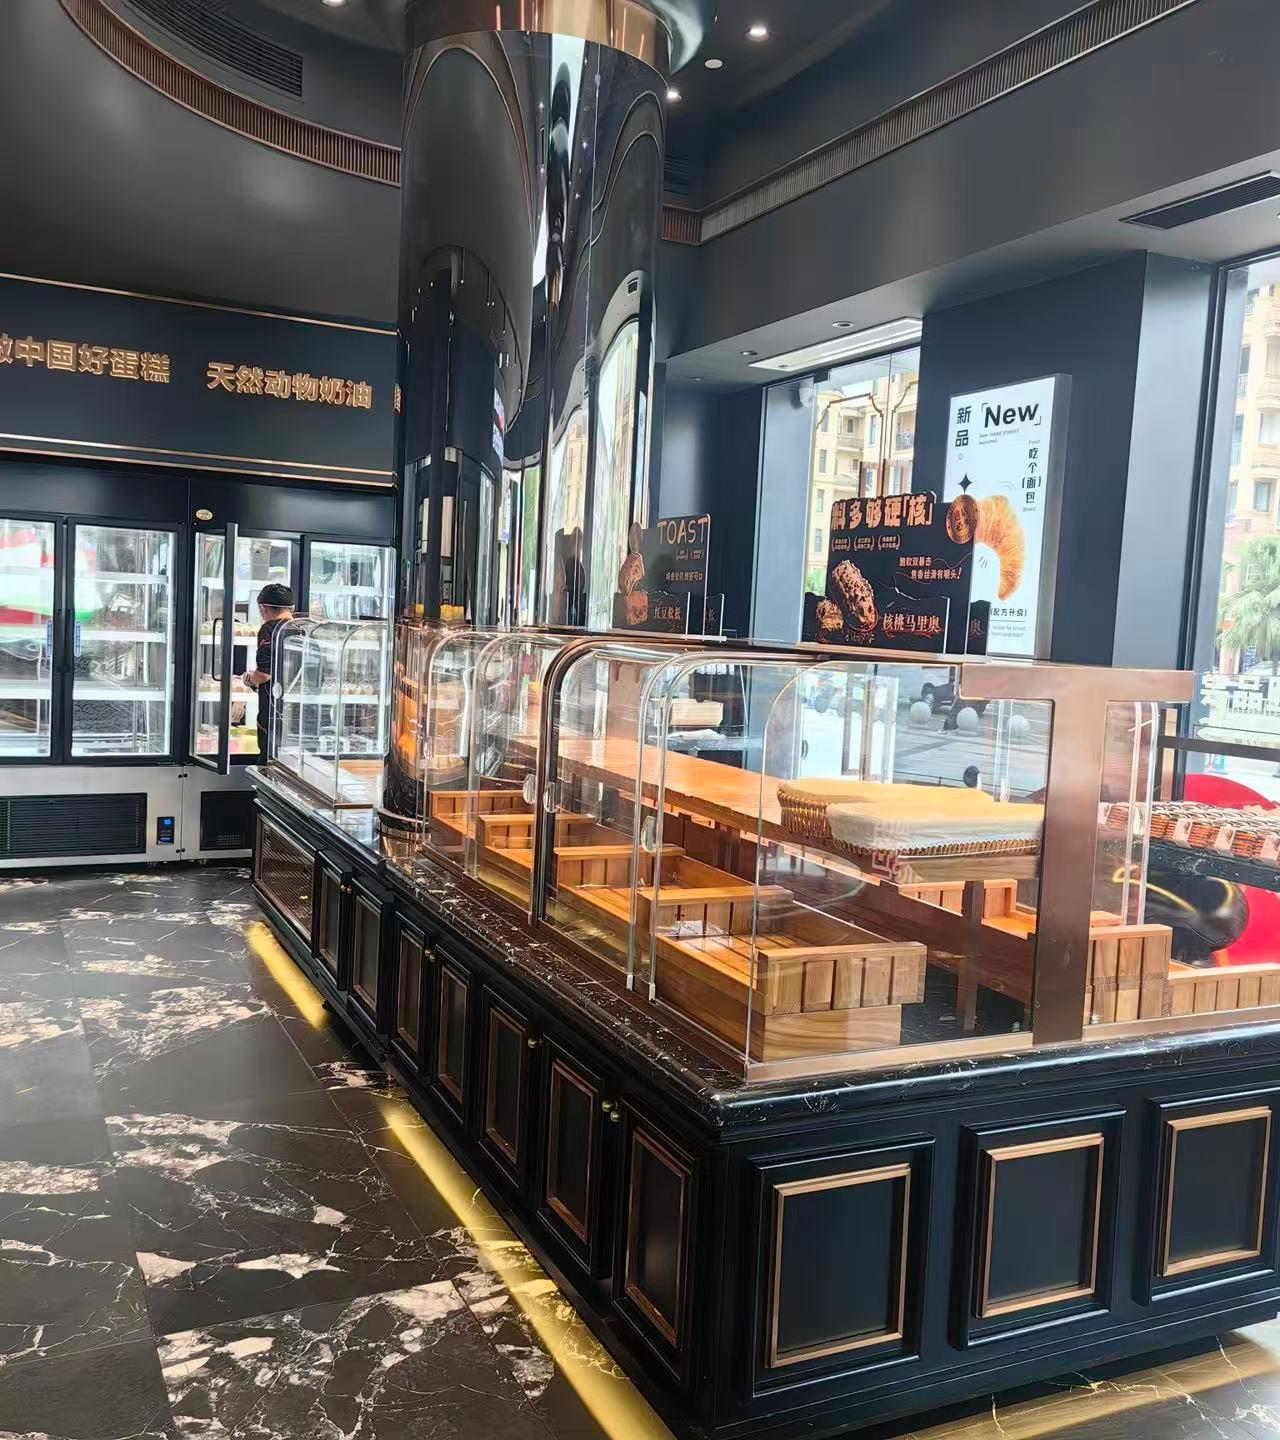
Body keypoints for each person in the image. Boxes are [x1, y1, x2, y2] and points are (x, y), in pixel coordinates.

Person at [242, 583, 295, 759]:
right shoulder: (301, 629)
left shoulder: (270, 628)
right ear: (292, 608)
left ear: (263, 609)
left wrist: (249, 678)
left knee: (268, 758)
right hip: (295, 713)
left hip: (273, 710)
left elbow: (264, 674)